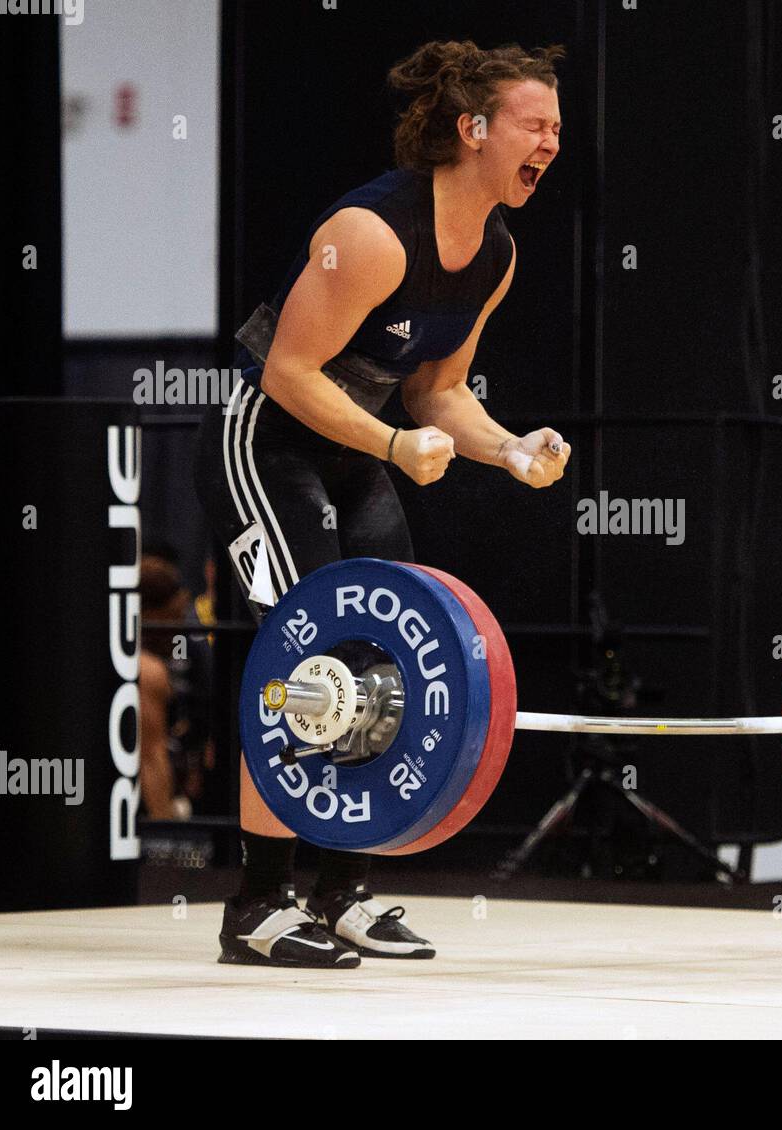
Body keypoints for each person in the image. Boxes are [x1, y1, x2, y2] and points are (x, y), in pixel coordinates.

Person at [192, 40, 570, 968]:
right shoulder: (371, 231)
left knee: (380, 658)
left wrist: (511, 448)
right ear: (473, 129)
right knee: (304, 657)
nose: (552, 144)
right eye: (536, 124)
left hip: (358, 452)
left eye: (559, 130)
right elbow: (286, 372)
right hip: (267, 443)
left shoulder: (496, 252)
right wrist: (399, 448)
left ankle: (340, 889)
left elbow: (437, 391)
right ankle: (257, 905)